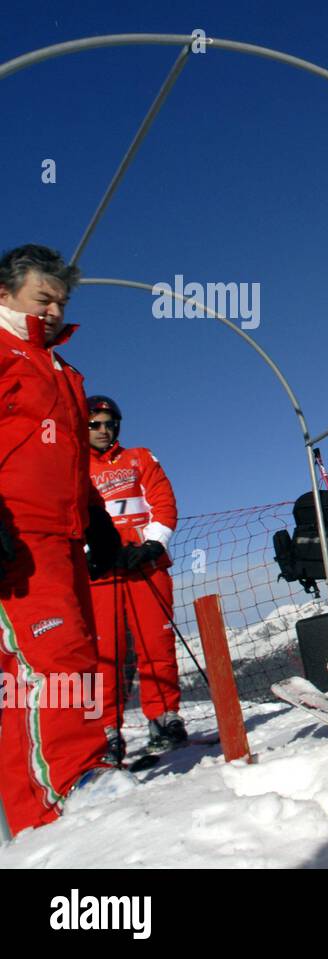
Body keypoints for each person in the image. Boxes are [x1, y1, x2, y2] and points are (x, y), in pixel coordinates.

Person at [0, 244, 122, 835]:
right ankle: (74, 778)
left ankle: (38, 816)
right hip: (17, 533)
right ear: (4, 294)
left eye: (61, 302)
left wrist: (98, 523)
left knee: (39, 671)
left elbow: (70, 459)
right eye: (41, 298)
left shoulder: (62, 371)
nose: (52, 311)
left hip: (63, 534)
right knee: (54, 657)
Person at [85, 395, 184, 761]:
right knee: (104, 652)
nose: (103, 430)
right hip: (102, 570)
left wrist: (153, 545)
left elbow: (163, 501)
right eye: (94, 424)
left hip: (145, 565)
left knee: (155, 643)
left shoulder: (140, 457)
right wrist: (88, 553)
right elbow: (68, 512)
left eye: (109, 423)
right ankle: (106, 729)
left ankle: (164, 717)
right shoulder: (72, 466)